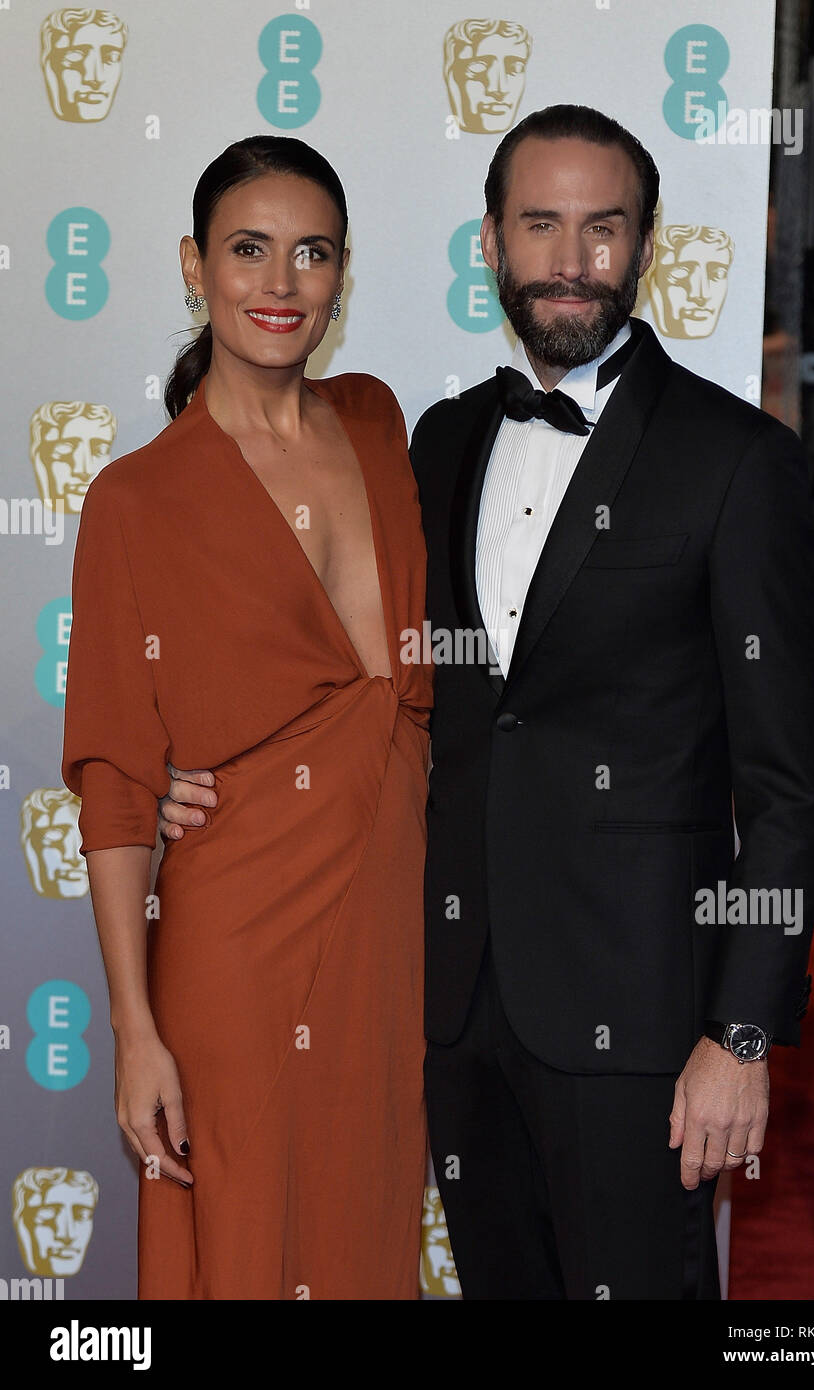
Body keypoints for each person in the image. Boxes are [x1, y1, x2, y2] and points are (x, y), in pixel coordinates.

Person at [162, 106, 814, 1300]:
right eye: (540, 226)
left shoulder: (735, 458)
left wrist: (736, 1038)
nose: (570, 260)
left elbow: (783, 785)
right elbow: (355, 681)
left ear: (642, 245)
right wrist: (194, 769)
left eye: (600, 229)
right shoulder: (436, 442)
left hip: (640, 1033)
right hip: (453, 1011)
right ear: (491, 242)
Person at [62, 135, 432, 1300]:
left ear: (342, 273)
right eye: (248, 250)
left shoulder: (378, 422)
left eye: (310, 253)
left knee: (363, 1231)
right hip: (235, 944)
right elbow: (119, 783)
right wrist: (134, 1032)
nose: (280, 284)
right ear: (194, 265)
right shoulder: (137, 499)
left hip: (394, 930)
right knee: (239, 1241)